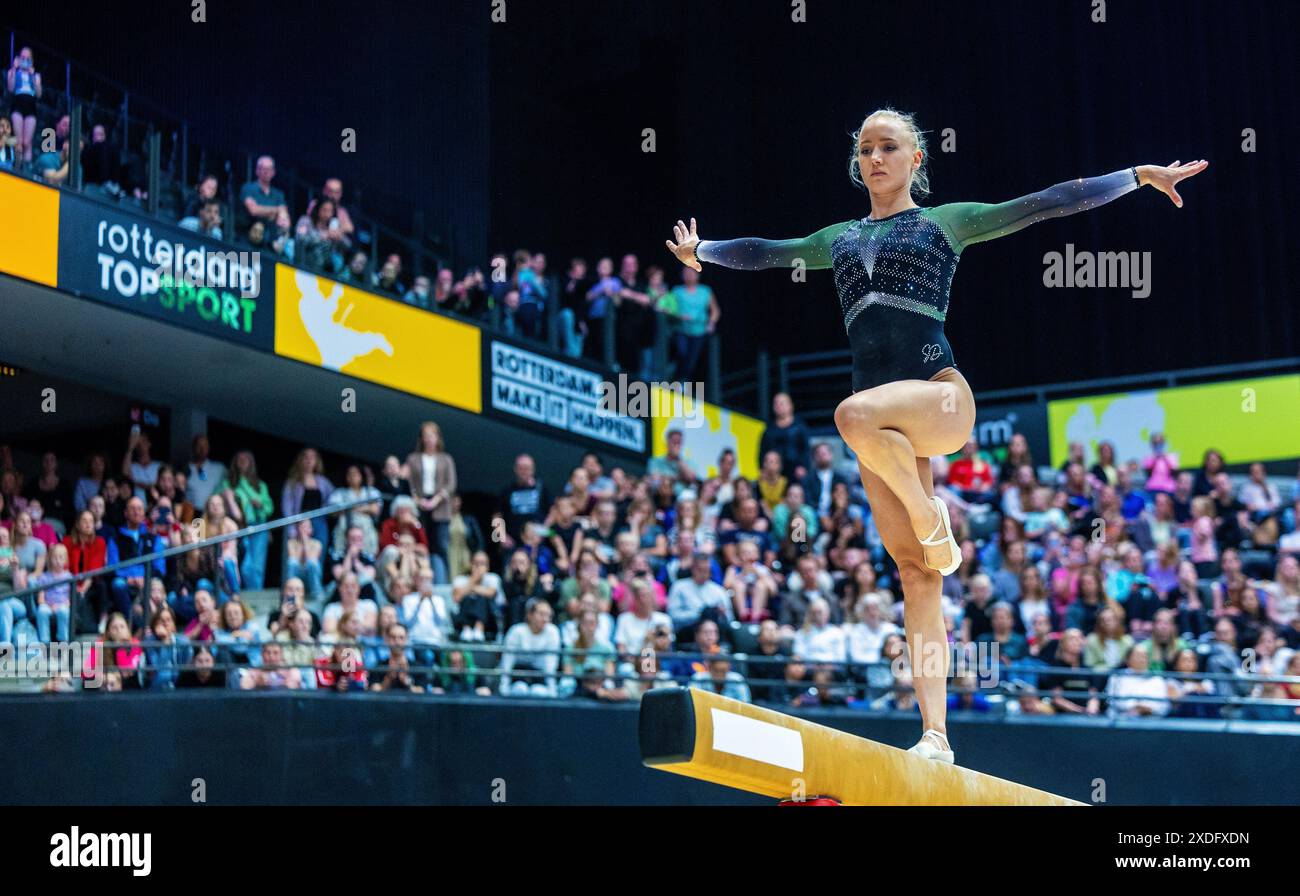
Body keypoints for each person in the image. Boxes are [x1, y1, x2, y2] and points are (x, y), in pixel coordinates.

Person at [666, 105, 1206, 762]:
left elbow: (1042, 204)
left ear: (915, 157)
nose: (874, 159)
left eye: (888, 147)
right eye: (865, 149)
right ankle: (936, 737)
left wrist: (1136, 176)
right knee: (916, 577)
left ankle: (932, 515)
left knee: (849, 416)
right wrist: (704, 253)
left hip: (941, 398)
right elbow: (768, 253)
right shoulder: (835, 237)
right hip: (884, 437)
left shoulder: (944, 223)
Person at [6, 48, 41, 170]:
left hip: (30, 106)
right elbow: (10, 89)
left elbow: (39, 94)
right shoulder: (13, 72)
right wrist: (14, 69)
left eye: (28, 58)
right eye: (23, 58)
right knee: (19, 141)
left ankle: (27, 169)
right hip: (18, 104)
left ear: (32, 60)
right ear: (18, 58)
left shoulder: (36, 76)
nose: (25, 60)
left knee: (27, 142)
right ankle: (17, 167)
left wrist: (32, 76)